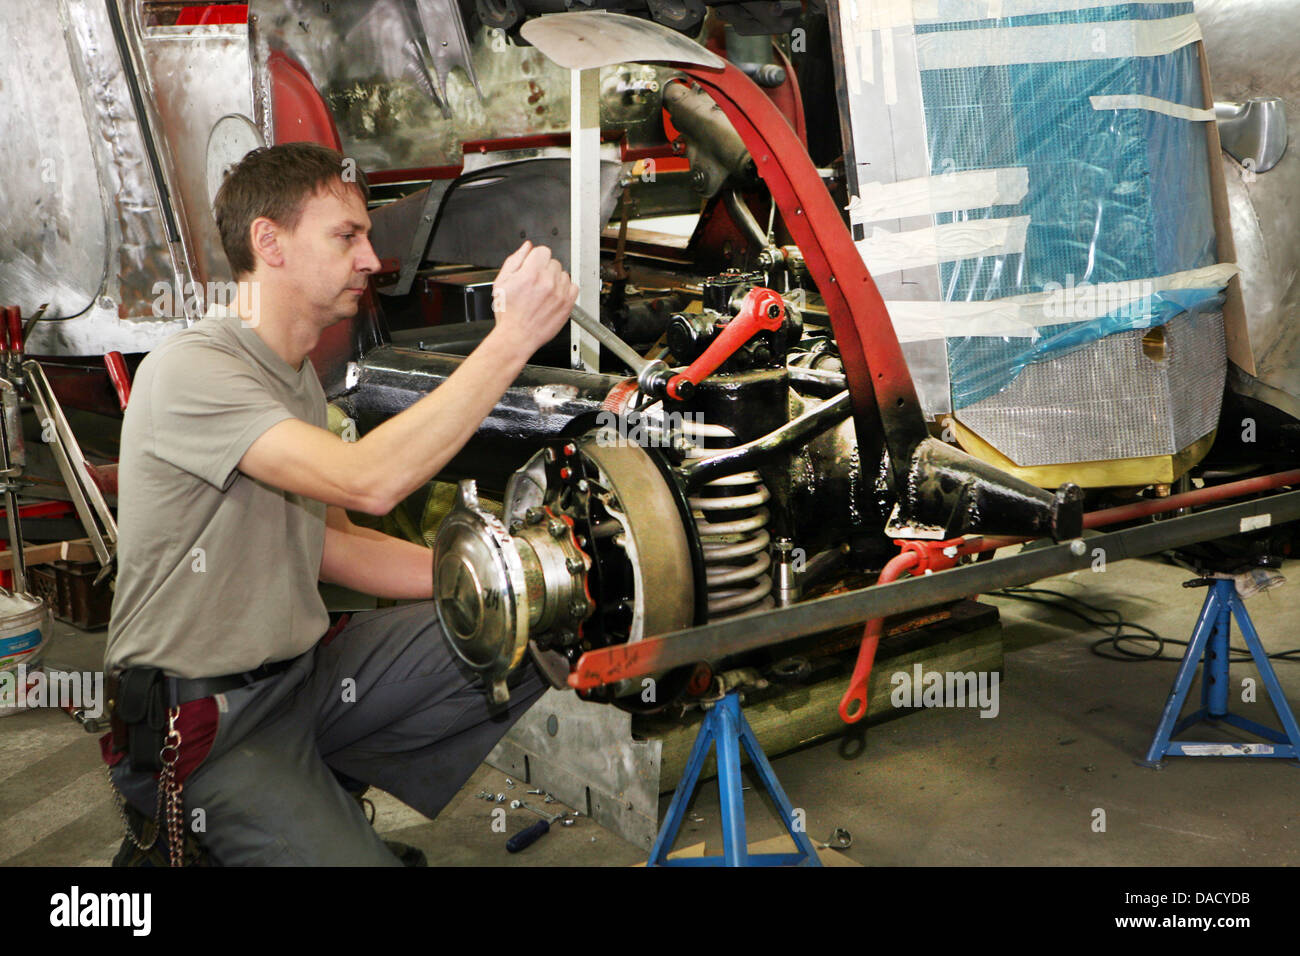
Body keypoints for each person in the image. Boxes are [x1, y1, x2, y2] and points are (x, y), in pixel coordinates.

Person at [100, 141, 579, 865]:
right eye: (346, 236)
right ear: (271, 242)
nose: (371, 259)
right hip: (207, 721)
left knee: (533, 626)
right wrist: (510, 340)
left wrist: (511, 578)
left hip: (307, 680)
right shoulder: (193, 371)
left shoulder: (292, 379)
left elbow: (340, 544)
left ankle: (314, 793)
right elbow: (369, 480)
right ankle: (228, 830)